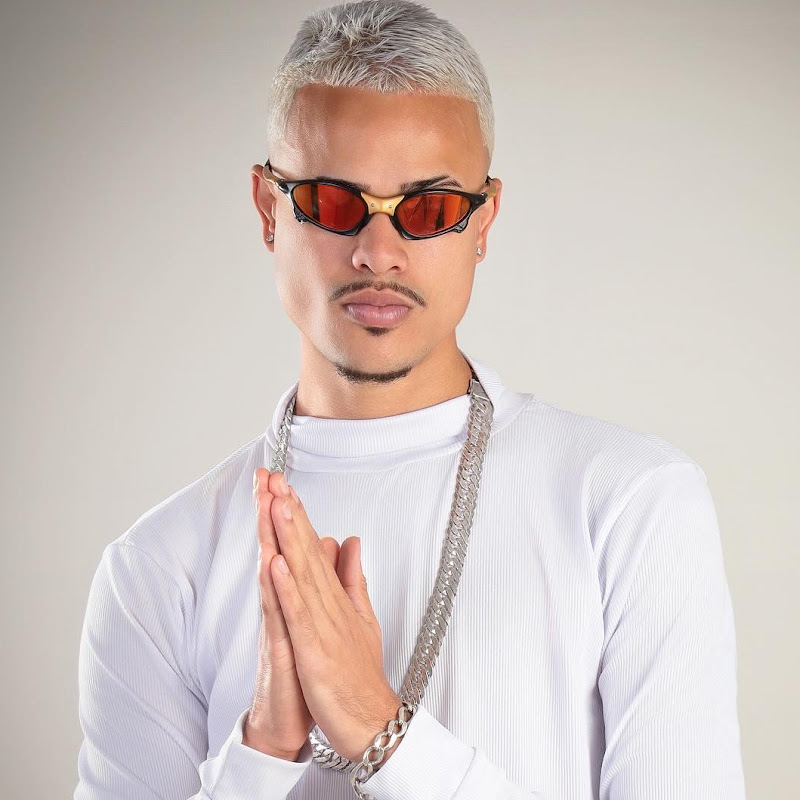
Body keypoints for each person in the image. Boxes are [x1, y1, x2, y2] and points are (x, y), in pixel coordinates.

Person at [74, 1, 746, 798]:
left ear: (483, 222)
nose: (378, 252)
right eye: (332, 201)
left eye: (429, 209)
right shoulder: (158, 569)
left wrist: (375, 724)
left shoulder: (630, 505)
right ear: (267, 210)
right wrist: (260, 752)